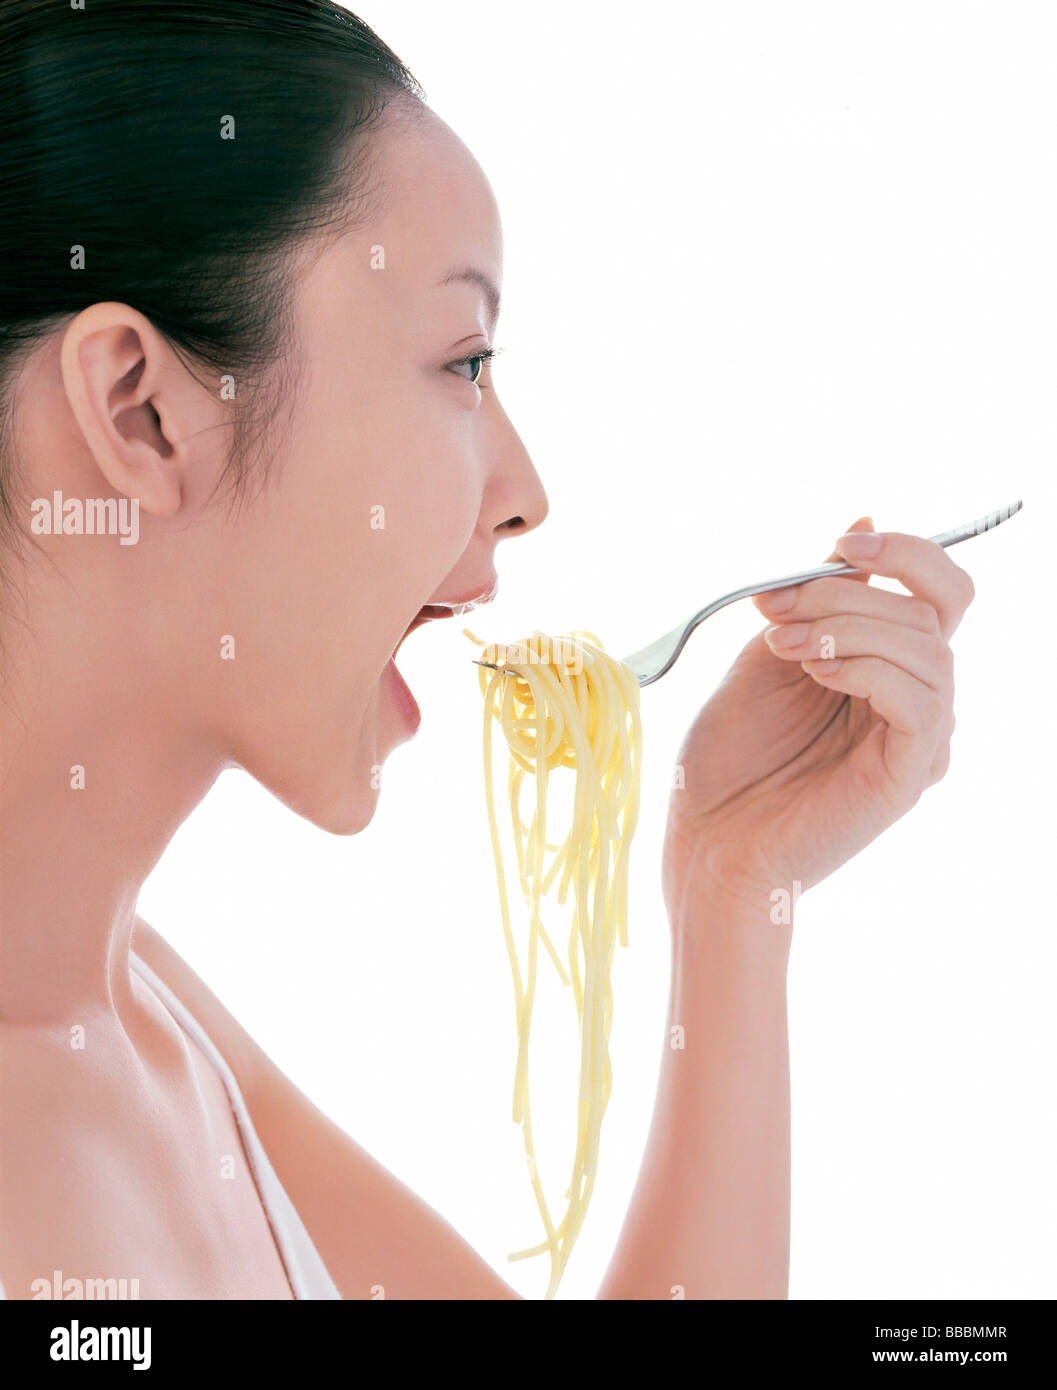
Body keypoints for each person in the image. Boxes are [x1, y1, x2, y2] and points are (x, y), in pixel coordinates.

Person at [0, 0, 972, 1299]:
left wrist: (730, 887)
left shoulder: (134, 1014)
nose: (522, 489)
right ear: (146, 411)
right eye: (461, 361)